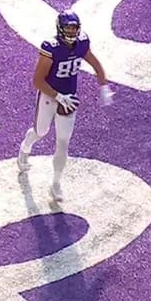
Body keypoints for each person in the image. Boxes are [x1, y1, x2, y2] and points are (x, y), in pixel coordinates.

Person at [18, 11, 113, 203]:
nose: (71, 31)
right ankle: (25, 148)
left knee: (63, 142)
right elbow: (37, 81)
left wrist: (104, 85)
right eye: (68, 27)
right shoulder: (51, 48)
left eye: (74, 27)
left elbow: (95, 63)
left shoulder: (81, 43)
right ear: (60, 28)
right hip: (49, 94)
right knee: (40, 132)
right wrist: (57, 96)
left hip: (69, 98)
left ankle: (55, 183)